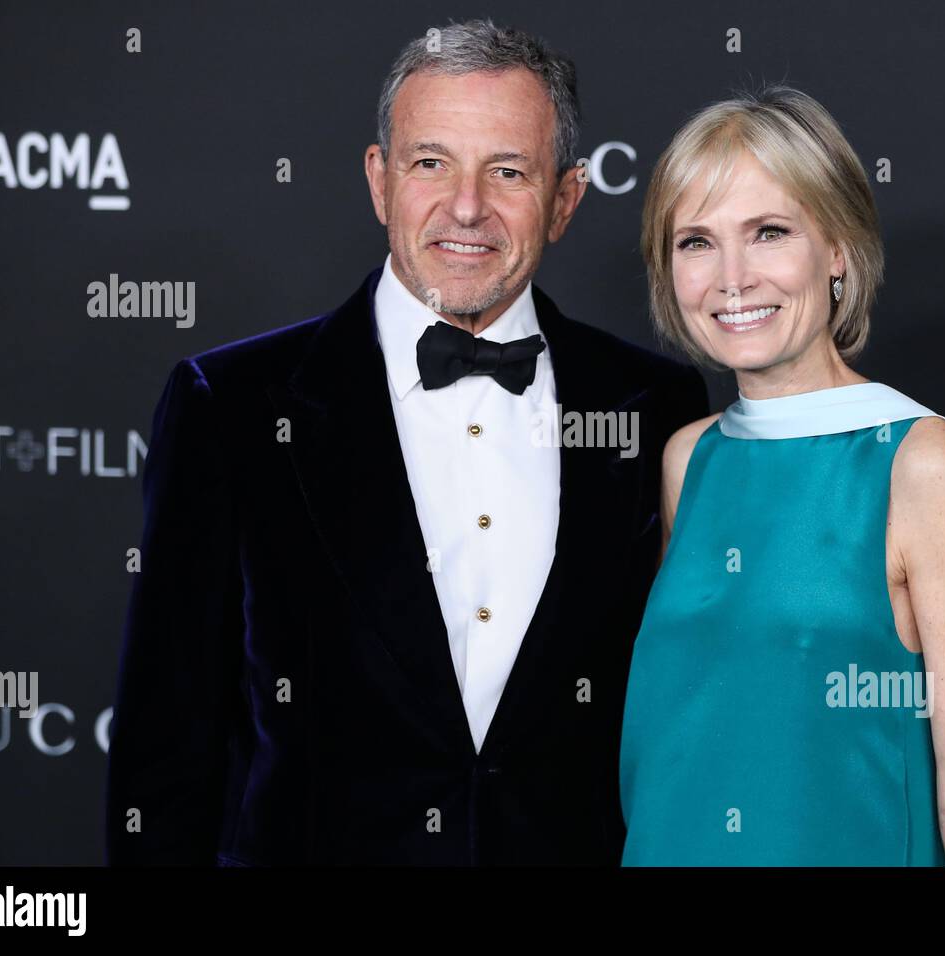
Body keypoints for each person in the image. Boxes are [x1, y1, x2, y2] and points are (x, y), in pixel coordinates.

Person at [105, 18, 707, 866]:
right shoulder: (232, 406)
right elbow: (167, 748)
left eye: (508, 171)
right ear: (380, 180)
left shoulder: (656, 404)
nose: (467, 207)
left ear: (566, 199)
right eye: (432, 163)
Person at [618, 86, 945, 866]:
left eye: (768, 232)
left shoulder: (921, 460)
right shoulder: (688, 458)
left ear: (837, 249)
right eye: (696, 242)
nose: (731, 277)